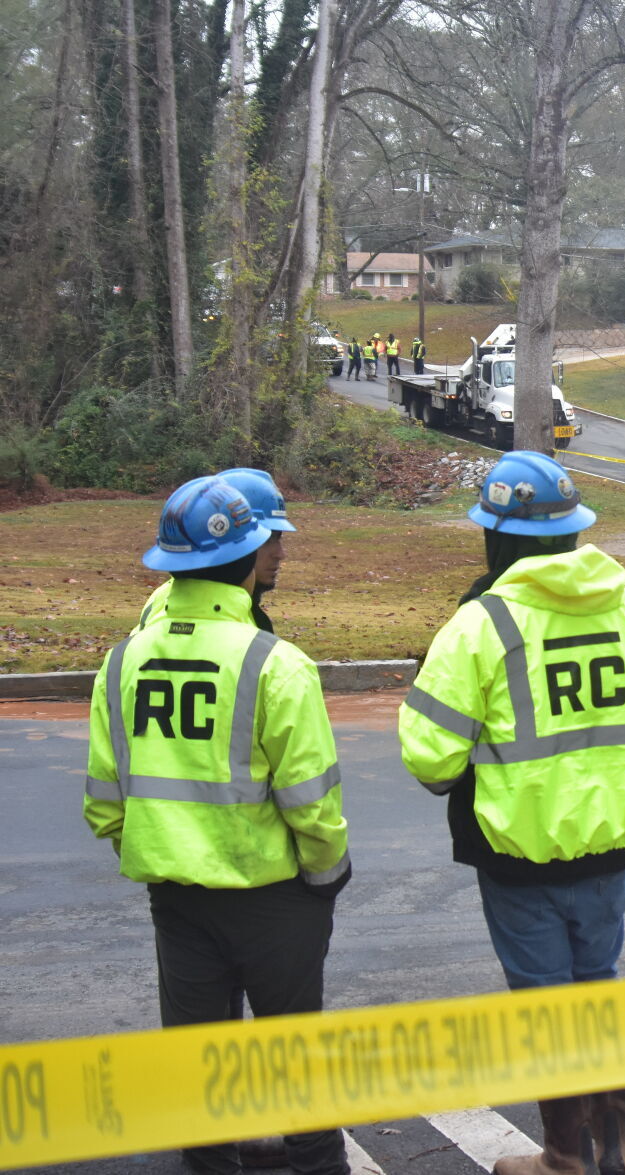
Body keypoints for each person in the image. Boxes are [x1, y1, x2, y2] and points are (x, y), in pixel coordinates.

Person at [398, 451, 625, 1175]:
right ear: (571, 533)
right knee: (598, 980)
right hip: (612, 847)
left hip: (518, 852)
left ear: (495, 539)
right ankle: (619, 1140)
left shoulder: (482, 624)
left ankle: (564, 1153)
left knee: (543, 1000)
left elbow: (428, 756)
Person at [85, 476, 351, 1175]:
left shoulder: (122, 661)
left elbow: (106, 803)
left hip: (177, 897)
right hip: (275, 898)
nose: (281, 549)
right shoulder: (275, 664)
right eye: (271, 539)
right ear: (244, 555)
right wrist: (324, 876)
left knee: (201, 1066)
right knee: (298, 1064)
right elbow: (312, 803)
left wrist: (162, 849)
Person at [136, 467, 293, 634]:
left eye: (278, 537)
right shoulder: (204, 620)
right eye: (266, 539)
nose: (280, 554)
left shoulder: (170, 599)